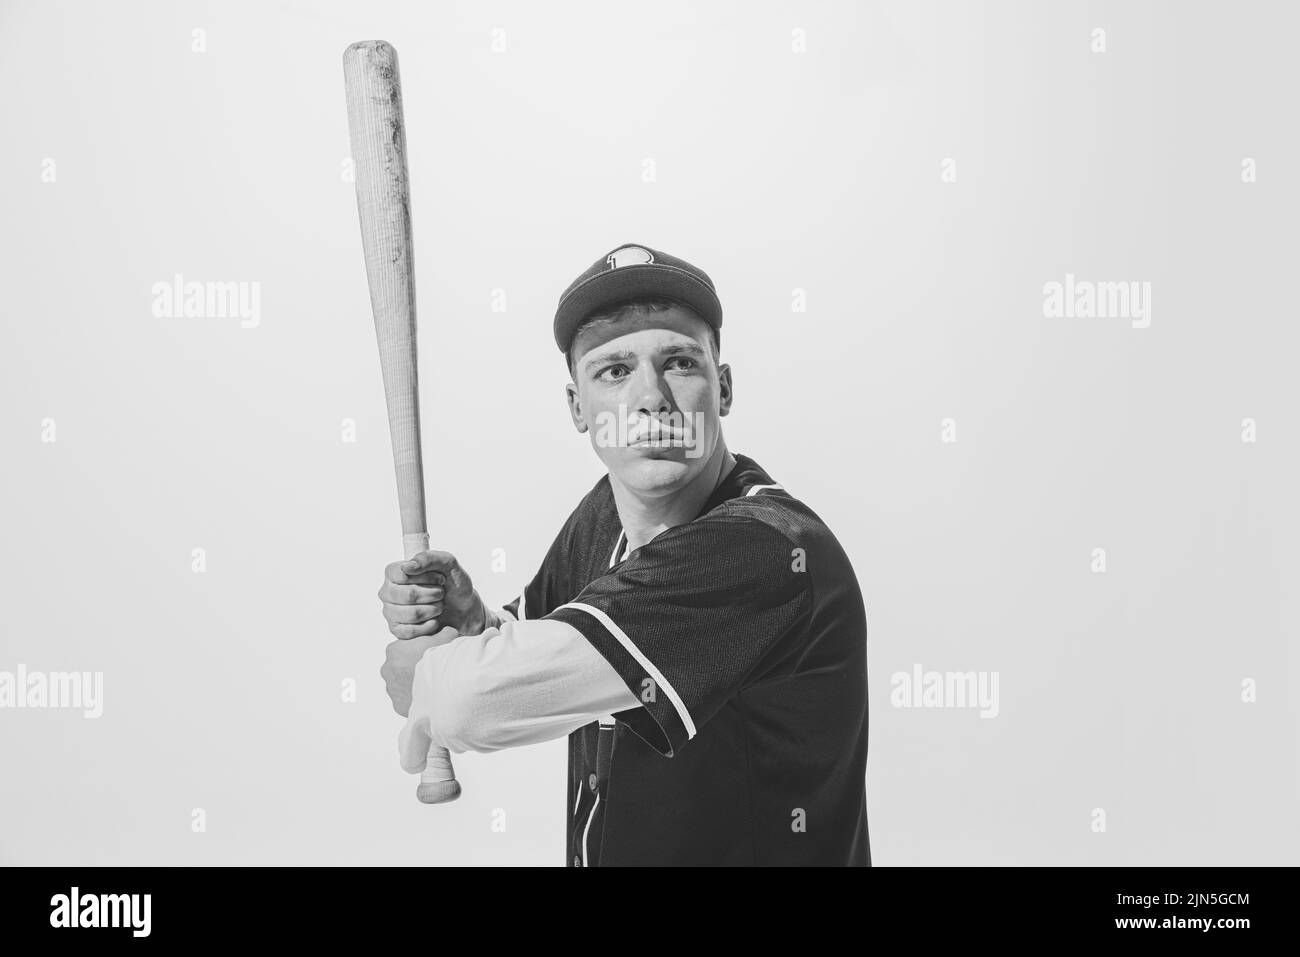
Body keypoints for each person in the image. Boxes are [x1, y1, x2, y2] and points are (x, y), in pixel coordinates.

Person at [379, 243, 870, 866]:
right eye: (614, 371)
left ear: (722, 388)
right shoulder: (605, 515)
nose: (651, 398)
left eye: (680, 362)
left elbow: (469, 703)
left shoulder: (766, 548)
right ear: (577, 407)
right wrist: (473, 625)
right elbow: (547, 654)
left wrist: (428, 674)